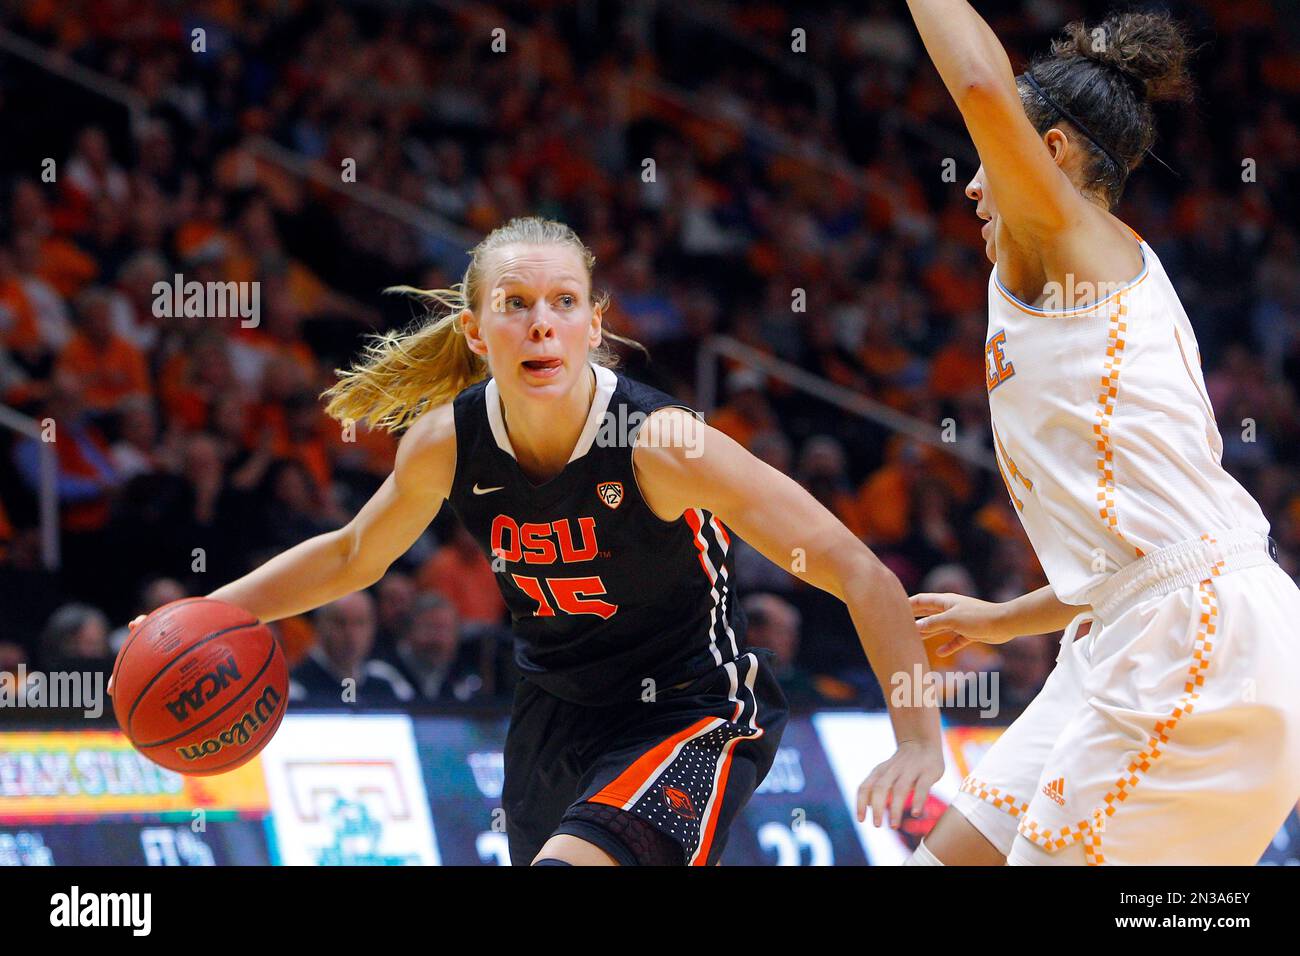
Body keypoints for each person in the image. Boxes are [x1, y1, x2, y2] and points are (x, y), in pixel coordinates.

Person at [117, 216, 941, 865]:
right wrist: (206, 613)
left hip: (690, 709)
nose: (541, 324)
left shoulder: (660, 443)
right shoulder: (447, 441)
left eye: (563, 304)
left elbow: (857, 571)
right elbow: (350, 554)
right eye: (515, 305)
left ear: (594, 325)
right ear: (478, 332)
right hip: (550, 715)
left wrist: (918, 741)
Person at [900, 3, 1300, 866]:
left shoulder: (1071, 238)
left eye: (985, 159)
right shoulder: (1082, 268)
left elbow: (976, 81)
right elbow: (1139, 564)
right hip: (1137, 626)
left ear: (1048, 153)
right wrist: (1004, 619)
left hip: (1200, 642)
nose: (972, 188)